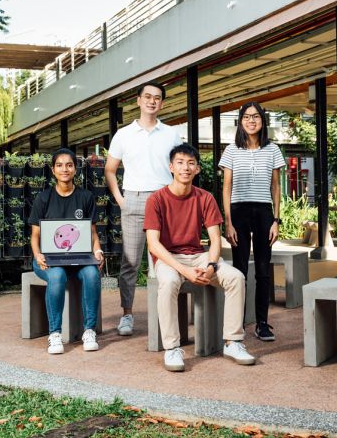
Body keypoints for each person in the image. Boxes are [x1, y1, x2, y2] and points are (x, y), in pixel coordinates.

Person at [145, 143, 256, 372]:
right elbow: (153, 244)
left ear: (197, 169)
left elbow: (216, 239)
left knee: (235, 277)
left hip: (198, 256)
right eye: (180, 163)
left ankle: (233, 342)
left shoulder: (205, 198)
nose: (185, 168)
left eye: (191, 163)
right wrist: (183, 271)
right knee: (169, 282)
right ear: (171, 167)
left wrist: (212, 266)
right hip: (168, 258)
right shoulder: (156, 200)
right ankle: (172, 348)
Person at [105, 82, 182, 336]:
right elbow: (110, 170)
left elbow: (179, 166)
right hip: (134, 200)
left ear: (162, 103)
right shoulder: (123, 134)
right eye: (147, 97)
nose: (152, 101)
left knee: (161, 262)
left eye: (157, 98)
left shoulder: (171, 134)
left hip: (163, 200)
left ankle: (163, 316)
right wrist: (121, 199)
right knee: (130, 261)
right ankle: (127, 314)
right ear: (138, 101)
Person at [219, 102, 286, 341]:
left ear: (262, 121)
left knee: (263, 270)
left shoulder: (273, 149)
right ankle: (236, 324)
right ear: (240, 121)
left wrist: (276, 219)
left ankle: (262, 323)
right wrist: (227, 221)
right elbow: (226, 187)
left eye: (255, 116)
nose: (251, 120)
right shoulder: (231, 150)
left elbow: (276, 187)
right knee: (239, 270)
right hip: (238, 212)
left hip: (264, 212)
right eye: (246, 117)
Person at [29, 148, 105, 354]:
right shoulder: (43, 199)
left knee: (91, 273)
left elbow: (91, 233)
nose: (65, 169)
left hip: (79, 258)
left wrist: (97, 251)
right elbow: (34, 236)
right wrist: (38, 255)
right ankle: (54, 334)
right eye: (60, 165)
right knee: (57, 275)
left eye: (69, 165)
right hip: (48, 259)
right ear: (53, 170)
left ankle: (89, 331)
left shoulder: (86, 197)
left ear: (75, 169)